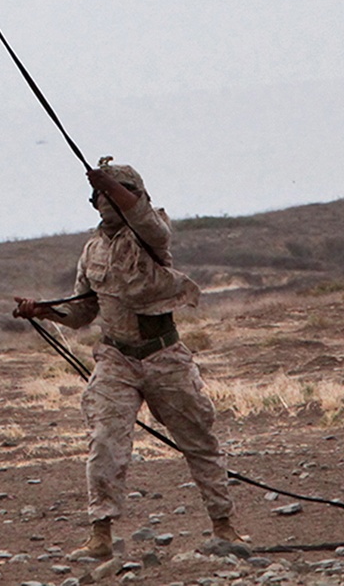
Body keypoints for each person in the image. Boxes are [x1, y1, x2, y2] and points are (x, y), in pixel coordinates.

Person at [13, 159, 244, 561]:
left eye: (116, 192)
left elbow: (142, 216)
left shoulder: (151, 232)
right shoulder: (92, 250)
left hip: (165, 356)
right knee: (105, 443)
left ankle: (224, 527)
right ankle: (100, 536)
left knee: (198, 440)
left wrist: (110, 183)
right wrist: (44, 312)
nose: (106, 199)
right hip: (116, 359)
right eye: (100, 193)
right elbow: (83, 313)